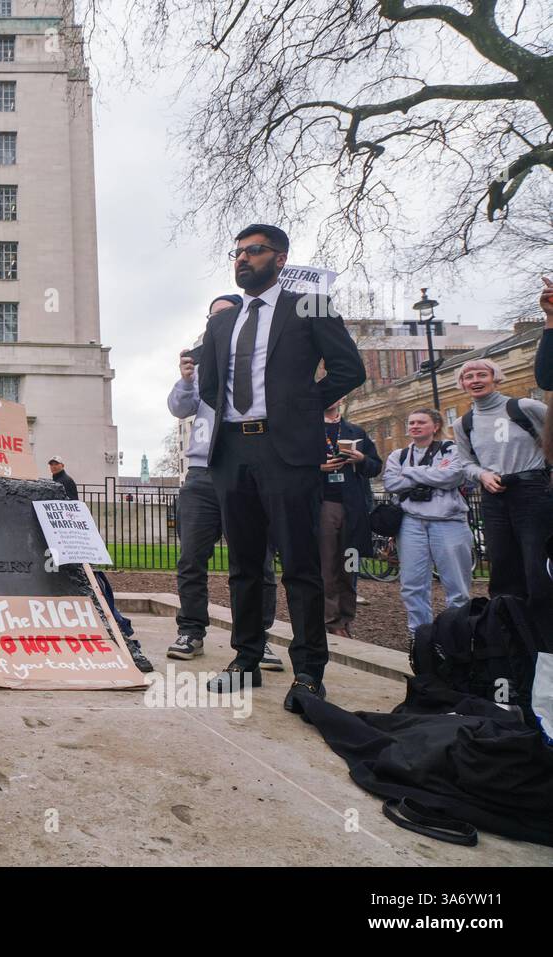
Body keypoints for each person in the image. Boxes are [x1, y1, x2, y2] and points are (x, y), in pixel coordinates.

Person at [197, 224, 366, 712]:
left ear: (280, 258)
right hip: (232, 453)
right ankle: (245, 660)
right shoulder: (221, 322)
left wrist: (300, 406)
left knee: (300, 565)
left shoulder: (307, 306)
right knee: (245, 565)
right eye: (238, 252)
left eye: (254, 251)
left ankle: (309, 672)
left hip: (287, 451)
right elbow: (210, 385)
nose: (243, 259)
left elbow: (348, 368)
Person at [166, 295, 282, 670]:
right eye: (212, 315)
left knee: (255, 562)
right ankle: (191, 630)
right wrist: (186, 379)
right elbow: (180, 408)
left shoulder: (260, 360)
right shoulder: (201, 367)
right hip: (202, 473)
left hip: (248, 471)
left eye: (225, 313)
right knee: (191, 559)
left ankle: (256, 638)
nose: (217, 321)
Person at [450, 357, 553, 643]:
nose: (475, 380)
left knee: (537, 568)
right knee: (503, 569)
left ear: (496, 378)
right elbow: (464, 462)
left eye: (481, 374)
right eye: (468, 377)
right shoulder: (463, 423)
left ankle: (545, 637)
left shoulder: (524, 407)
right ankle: (511, 639)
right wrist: (481, 475)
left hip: (532, 491)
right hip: (494, 496)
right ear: (462, 384)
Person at [381, 409, 473, 638]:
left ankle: (458, 637)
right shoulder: (398, 455)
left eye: (421, 422)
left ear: (436, 426)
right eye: (411, 422)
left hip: (449, 521)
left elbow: (454, 476)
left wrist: (410, 474)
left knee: (457, 586)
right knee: (412, 585)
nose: (415, 426)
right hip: (411, 523)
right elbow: (391, 483)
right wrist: (432, 474)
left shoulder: (451, 449)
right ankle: (420, 637)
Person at [318, 402, 382, 638]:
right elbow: (292, 465)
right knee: (327, 565)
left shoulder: (356, 432)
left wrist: (361, 459)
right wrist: (319, 467)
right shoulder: (308, 429)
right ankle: (331, 620)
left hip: (353, 507)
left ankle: (346, 618)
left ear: (342, 400)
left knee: (349, 564)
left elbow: (375, 467)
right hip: (324, 504)